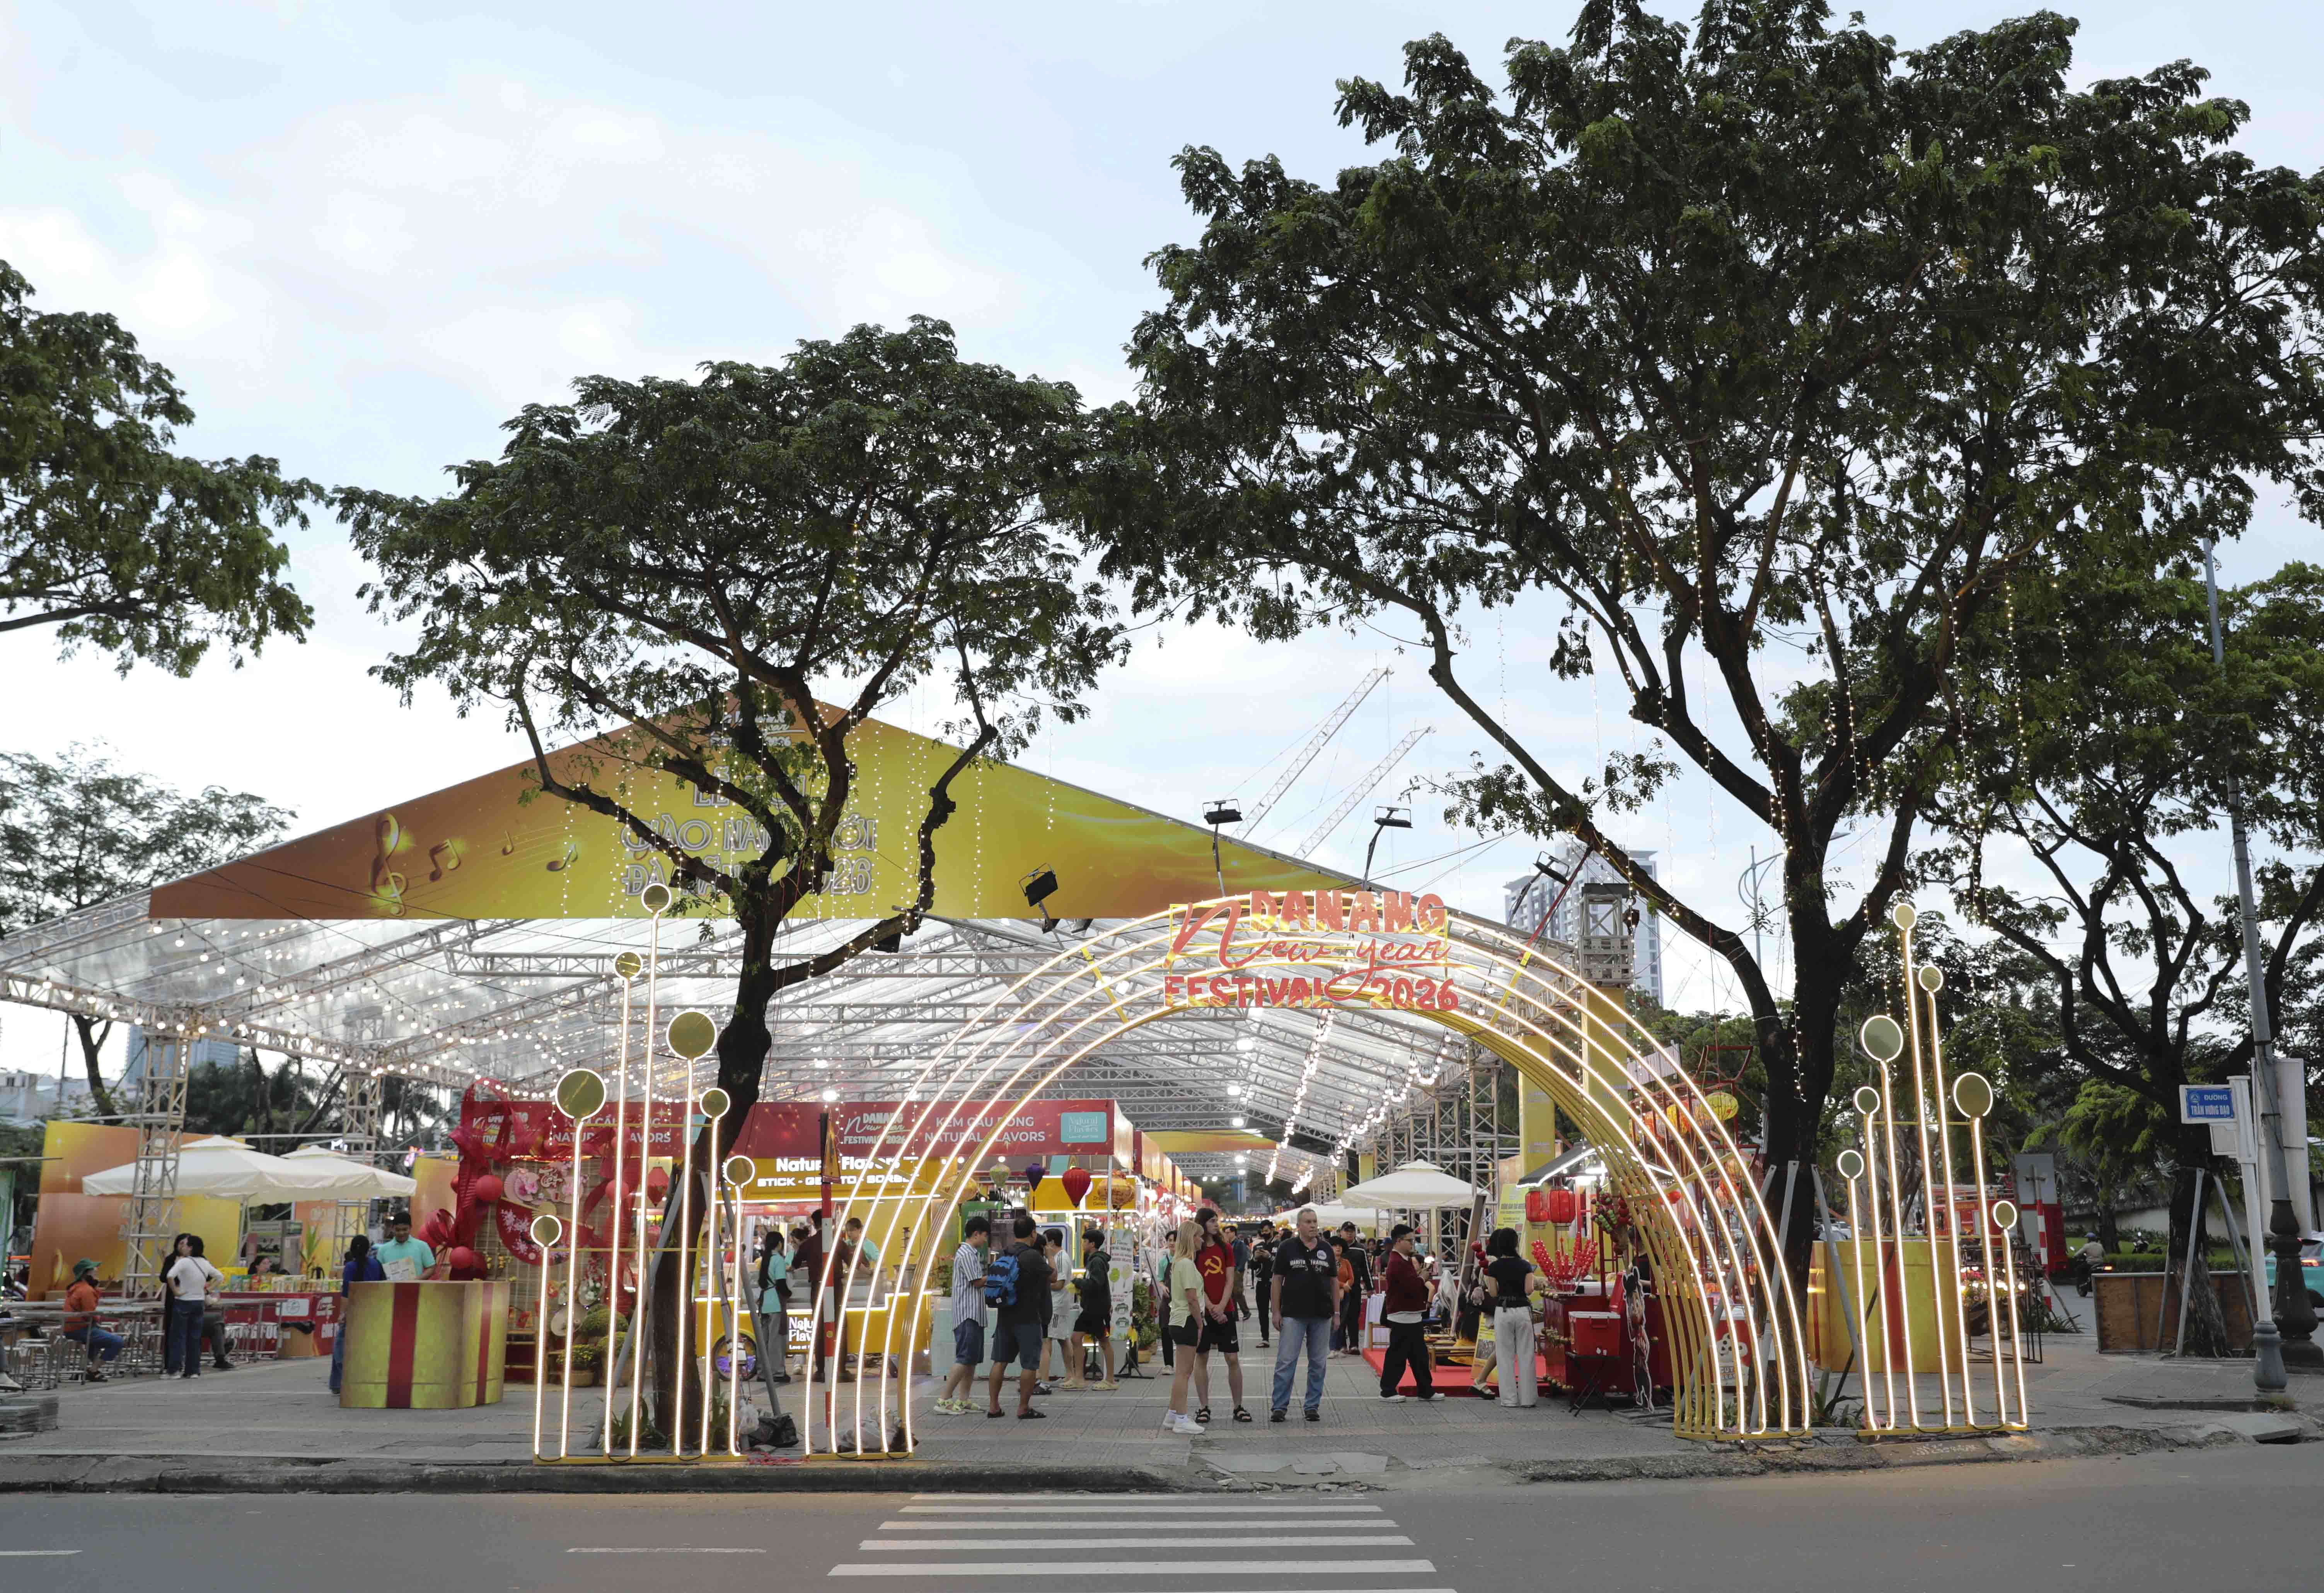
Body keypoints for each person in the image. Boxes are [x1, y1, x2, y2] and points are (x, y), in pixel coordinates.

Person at [1268, 1207, 1338, 1423]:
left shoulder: (1326, 1249)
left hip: (1322, 1315)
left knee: (1318, 1363)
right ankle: (1279, 1407)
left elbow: (1334, 1282)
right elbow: (1277, 1280)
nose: (1313, 1225)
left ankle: (1312, 1406)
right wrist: (1276, 1311)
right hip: (1293, 1315)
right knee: (1286, 1362)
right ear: (1299, 1226)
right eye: (1308, 1222)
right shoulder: (1287, 1248)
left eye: (1315, 1221)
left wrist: (1336, 1313)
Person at [986, 1213, 1050, 1420]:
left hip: (1005, 1318)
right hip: (1028, 1318)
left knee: (1000, 1362)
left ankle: (994, 1407)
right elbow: (1055, 1276)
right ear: (1033, 1233)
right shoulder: (1032, 1256)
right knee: (1030, 1365)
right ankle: (1023, 1408)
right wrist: (1049, 1255)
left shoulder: (1005, 1253)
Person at [1191, 1208, 1250, 1423]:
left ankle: (1238, 1406)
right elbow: (1196, 1284)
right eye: (1213, 1221)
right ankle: (1204, 1407)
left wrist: (1222, 1306)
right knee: (1202, 1357)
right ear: (1203, 1223)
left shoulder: (1226, 1249)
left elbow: (1230, 1280)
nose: (1217, 1225)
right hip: (1203, 1314)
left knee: (1232, 1358)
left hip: (1226, 1311)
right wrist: (1211, 1308)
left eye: (1217, 1221)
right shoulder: (1195, 1250)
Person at [1480, 1226, 1544, 1409]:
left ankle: (1509, 1399)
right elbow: (1529, 1290)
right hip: (1522, 1310)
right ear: (1516, 1244)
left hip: (1504, 1311)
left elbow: (1493, 1293)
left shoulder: (1494, 1267)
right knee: (1526, 1354)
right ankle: (1528, 1399)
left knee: (1505, 1355)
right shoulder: (1525, 1265)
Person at [1377, 1224, 1441, 1402]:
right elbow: (1411, 1287)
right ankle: (1388, 1391)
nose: (1413, 1244)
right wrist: (1423, 1278)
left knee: (1419, 1356)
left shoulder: (1404, 1259)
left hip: (1411, 1314)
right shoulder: (1397, 1261)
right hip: (1402, 1315)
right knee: (1397, 1355)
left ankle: (1425, 1389)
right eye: (1410, 1240)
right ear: (1399, 1241)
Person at [934, 1215, 990, 1414]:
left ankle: (963, 1400)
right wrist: (998, 1274)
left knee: (972, 1359)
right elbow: (977, 1281)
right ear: (976, 1234)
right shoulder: (966, 1254)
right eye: (985, 1236)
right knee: (965, 1358)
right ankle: (943, 1399)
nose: (985, 1241)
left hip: (974, 1313)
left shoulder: (971, 1253)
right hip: (968, 1314)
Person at [1159, 1223, 1205, 1436]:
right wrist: (1200, 1322)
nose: (1202, 1241)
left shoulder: (1179, 1262)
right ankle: (1182, 1419)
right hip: (1186, 1319)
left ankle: (1172, 1415)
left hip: (1178, 1319)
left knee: (1182, 1372)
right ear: (1191, 1238)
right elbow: (1192, 1298)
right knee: (1184, 1373)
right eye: (1199, 1237)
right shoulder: (1186, 1264)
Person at [329, 1235, 387, 1395]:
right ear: (369, 1249)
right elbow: (384, 1285)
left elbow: (346, 1294)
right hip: (373, 1312)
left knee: (341, 1347)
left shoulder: (350, 1267)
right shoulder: (377, 1264)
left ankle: (338, 1384)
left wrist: (343, 1314)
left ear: (352, 1250)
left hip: (355, 1313)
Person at [164, 1234, 223, 1380]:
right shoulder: (204, 1262)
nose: (183, 1247)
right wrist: (208, 1289)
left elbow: (170, 1276)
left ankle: (174, 1371)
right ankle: (193, 1371)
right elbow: (220, 1277)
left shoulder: (185, 1262)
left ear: (191, 1248)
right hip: (199, 1303)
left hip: (184, 1301)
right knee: (195, 1338)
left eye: (186, 1245)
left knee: (178, 1337)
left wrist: (176, 1291)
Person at [1071, 1226, 1117, 1390]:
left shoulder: (1097, 1261)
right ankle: (1078, 1378)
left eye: (1085, 1241)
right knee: (1076, 1339)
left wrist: (1077, 1282)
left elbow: (1096, 1284)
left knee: (1104, 1342)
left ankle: (1110, 1380)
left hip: (1098, 1310)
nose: (1082, 1244)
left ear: (1093, 1244)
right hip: (1090, 1308)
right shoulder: (1093, 1260)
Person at [62, 1259, 122, 1383]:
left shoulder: (78, 1288)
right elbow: (91, 1313)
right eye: (94, 1269)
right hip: (81, 1329)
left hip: (72, 1328)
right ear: (86, 1274)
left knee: (96, 1340)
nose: (97, 1271)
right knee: (117, 1342)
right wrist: (98, 1320)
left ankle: (90, 1368)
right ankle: (93, 1370)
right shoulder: (86, 1290)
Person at [755, 1228, 793, 1383]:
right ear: (779, 1244)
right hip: (776, 1303)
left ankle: (763, 1372)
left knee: (763, 1340)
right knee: (776, 1340)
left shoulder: (765, 1259)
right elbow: (782, 1284)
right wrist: (789, 1294)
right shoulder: (778, 1260)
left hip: (764, 1304)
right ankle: (777, 1372)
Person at [1334, 1220, 1373, 1354]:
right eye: (1347, 1230)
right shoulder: (1336, 1248)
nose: (1350, 1233)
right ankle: (1342, 1345)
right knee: (1340, 1316)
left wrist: (1370, 1288)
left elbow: (1366, 1270)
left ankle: (1355, 1345)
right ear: (1341, 1232)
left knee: (1354, 1316)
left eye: (1352, 1231)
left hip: (1355, 1288)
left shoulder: (1361, 1249)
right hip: (1339, 1289)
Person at [373, 1212, 436, 1282]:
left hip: (415, 1290)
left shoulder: (422, 1246)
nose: (401, 1233)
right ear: (392, 1229)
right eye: (398, 1230)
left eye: (405, 1230)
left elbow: (431, 1268)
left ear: (411, 1228)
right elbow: (378, 1272)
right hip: (389, 1291)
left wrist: (417, 1280)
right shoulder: (383, 1250)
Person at [1249, 1231, 1275, 1348]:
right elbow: (1252, 1267)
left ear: (1272, 1230)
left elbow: (1282, 1264)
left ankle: (1286, 1337)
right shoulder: (1258, 1246)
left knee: (1278, 1311)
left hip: (1275, 1284)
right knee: (1262, 1313)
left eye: (1268, 1229)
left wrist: (1269, 1257)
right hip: (1261, 1284)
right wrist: (1255, 1258)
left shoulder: (1280, 1246)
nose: (1266, 1232)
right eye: (1263, 1230)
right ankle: (1265, 1339)